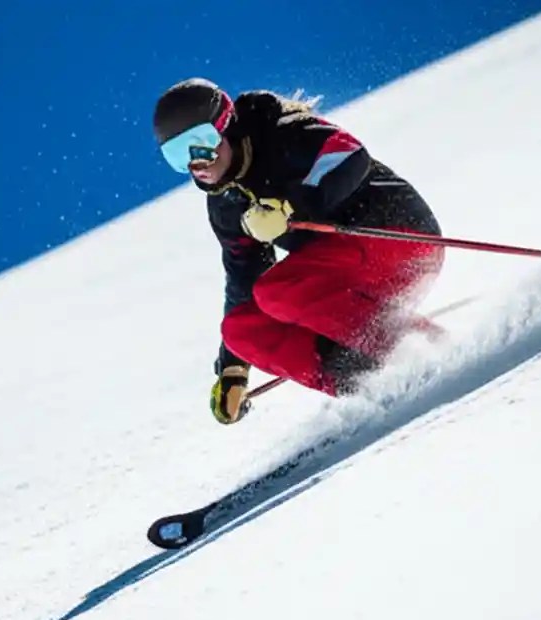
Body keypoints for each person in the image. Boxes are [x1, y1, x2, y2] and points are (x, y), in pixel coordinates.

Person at [152, 77, 445, 425]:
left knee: (278, 290)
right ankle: (369, 383)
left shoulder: (280, 133)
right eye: (176, 154)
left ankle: (424, 350)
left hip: (397, 236)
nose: (195, 162)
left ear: (225, 124)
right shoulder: (226, 204)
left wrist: (292, 207)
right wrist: (232, 369)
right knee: (241, 328)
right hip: (343, 271)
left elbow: (350, 156)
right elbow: (243, 276)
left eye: (200, 143)